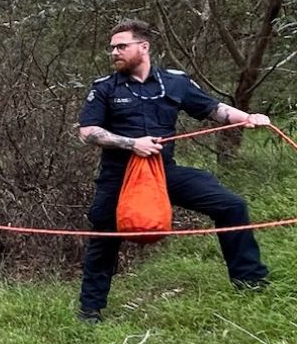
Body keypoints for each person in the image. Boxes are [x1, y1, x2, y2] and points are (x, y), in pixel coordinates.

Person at [77, 19, 271, 323]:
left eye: (121, 46)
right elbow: (87, 132)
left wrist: (248, 117)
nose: (114, 52)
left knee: (231, 206)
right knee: (104, 237)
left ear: (143, 47)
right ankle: (90, 311)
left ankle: (250, 283)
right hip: (119, 178)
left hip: (163, 173)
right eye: (112, 47)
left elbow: (215, 109)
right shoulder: (104, 88)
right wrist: (132, 144)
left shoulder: (175, 82)